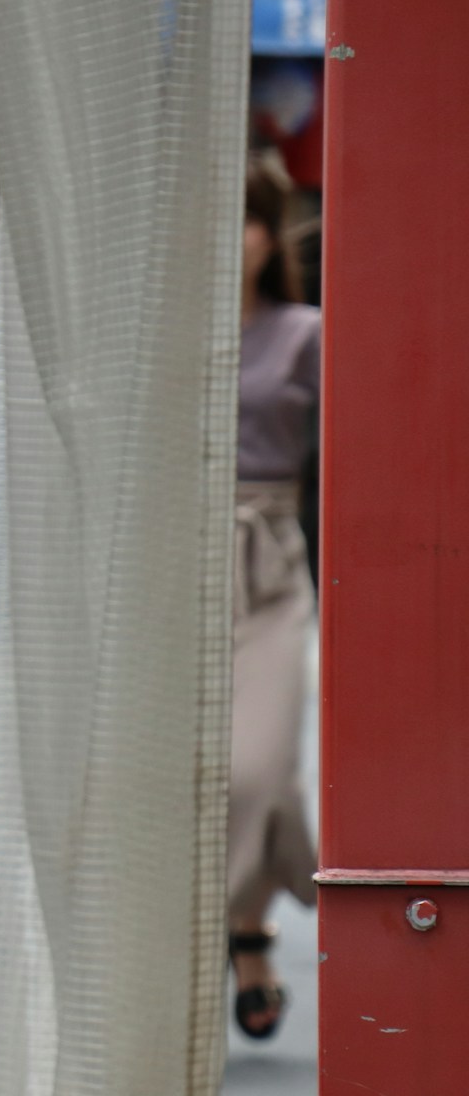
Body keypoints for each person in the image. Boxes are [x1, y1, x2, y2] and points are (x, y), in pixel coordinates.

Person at [225, 155, 320, 1040]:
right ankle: (249, 934)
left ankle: (226, 921)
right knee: (233, 779)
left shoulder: (305, 332)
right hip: (180, 568)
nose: (237, 237)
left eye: (250, 218)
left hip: (274, 570)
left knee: (256, 769)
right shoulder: (178, 330)